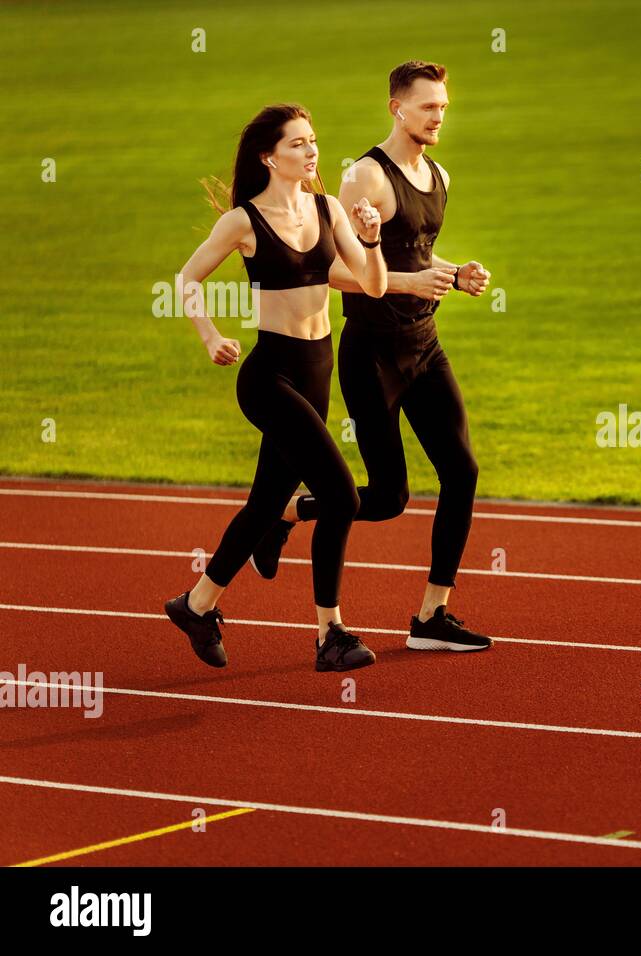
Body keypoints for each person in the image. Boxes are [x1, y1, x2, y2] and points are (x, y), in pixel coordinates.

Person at [252, 62, 493, 653]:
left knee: (462, 472)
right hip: (373, 355)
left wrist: (454, 273)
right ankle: (289, 513)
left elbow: (414, 253)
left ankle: (432, 616)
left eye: (443, 106)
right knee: (387, 499)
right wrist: (411, 284)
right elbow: (337, 271)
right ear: (397, 108)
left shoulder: (438, 175)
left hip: (424, 346)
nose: (439, 117)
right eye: (428, 107)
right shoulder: (364, 178)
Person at [164, 103, 388, 671]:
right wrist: (209, 334)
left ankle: (197, 604)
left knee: (265, 504)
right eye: (298, 144)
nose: (311, 151)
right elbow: (186, 278)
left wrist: (372, 238)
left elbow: (372, 285)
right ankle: (329, 633)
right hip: (270, 377)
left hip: (319, 370)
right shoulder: (244, 221)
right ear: (269, 156)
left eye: (313, 141)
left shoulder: (328, 208)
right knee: (342, 496)